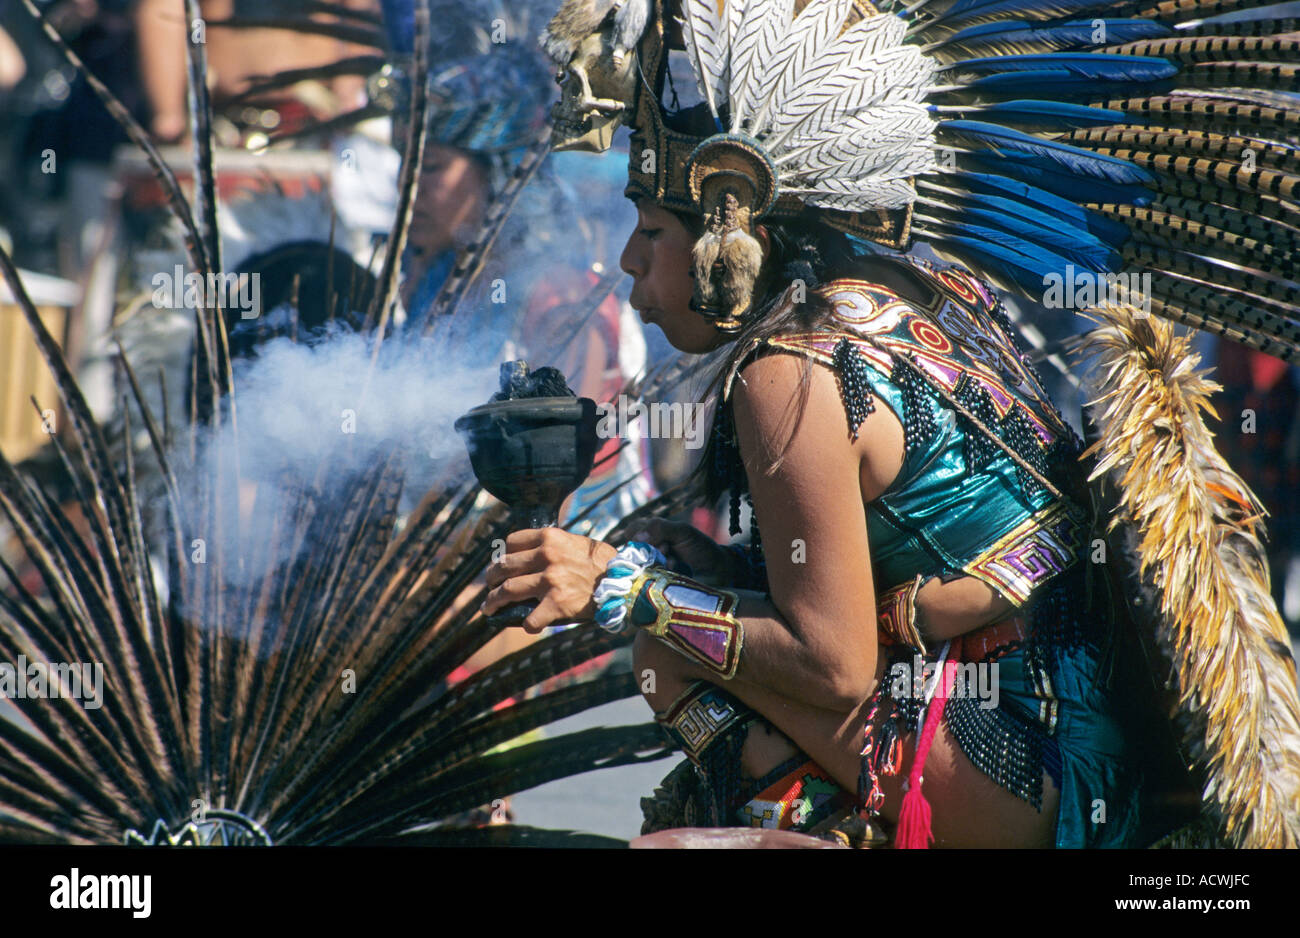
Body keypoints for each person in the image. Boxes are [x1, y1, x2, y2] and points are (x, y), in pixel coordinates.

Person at [481, 0, 1300, 848]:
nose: (627, 261)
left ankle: (828, 827)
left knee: (665, 650)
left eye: (651, 228)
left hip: (1021, 772)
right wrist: (725, 569)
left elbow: (835, 669)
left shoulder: (788, 370)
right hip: (1096, 748)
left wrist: (621, 590)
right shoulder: (933, 291)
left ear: (731, 214)